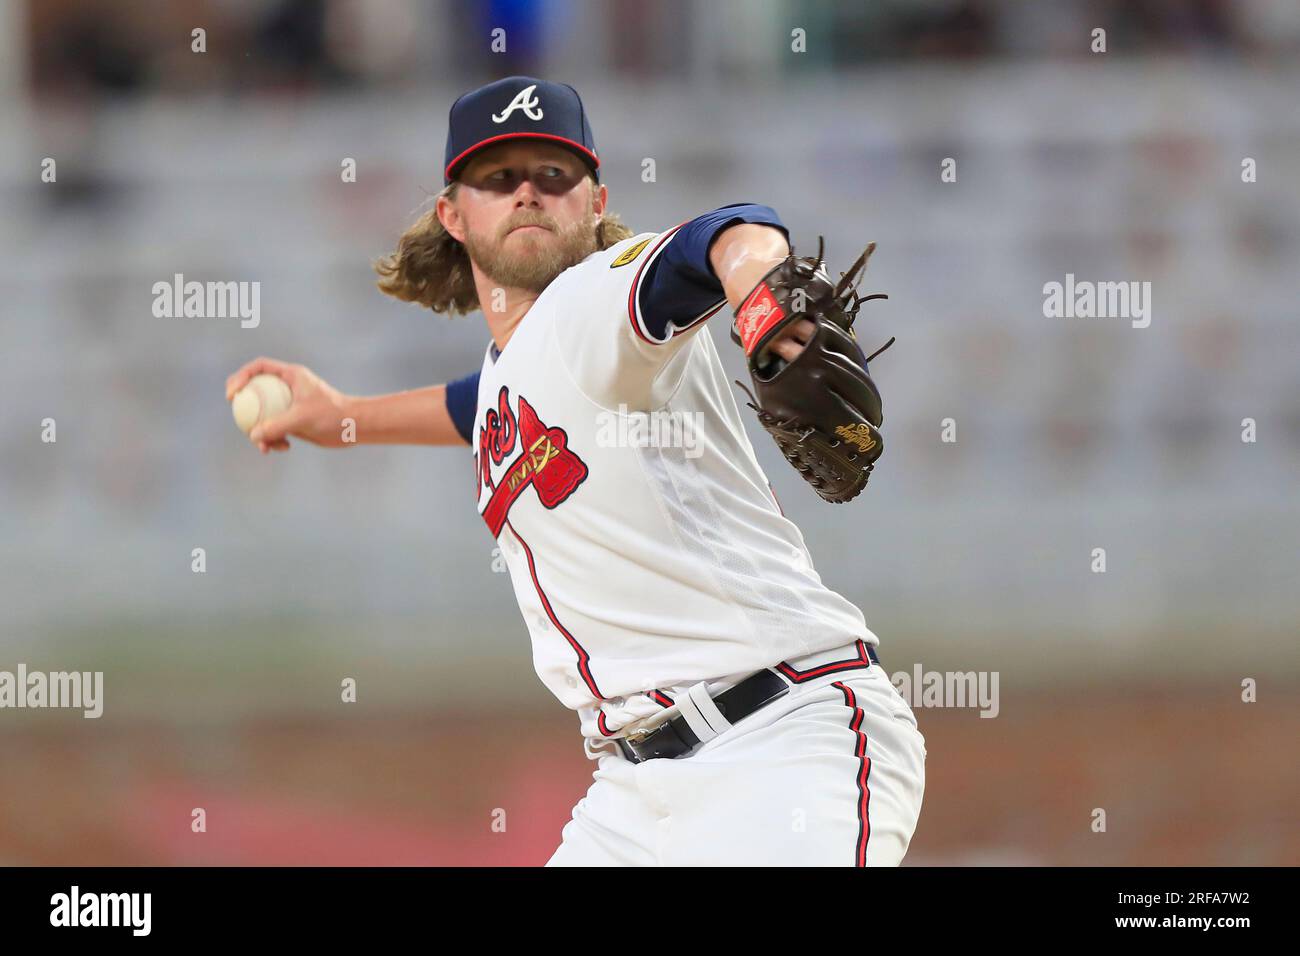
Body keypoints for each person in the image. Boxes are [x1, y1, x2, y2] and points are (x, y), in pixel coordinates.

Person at [225, 76, 925, 866]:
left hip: (783, 747)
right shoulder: (517, 369)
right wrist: (341, 417)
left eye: (554, 175)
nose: (528, 192)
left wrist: (761, 296)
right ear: (452, 214)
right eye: (499, 177)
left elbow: (727, 232)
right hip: (633, 797)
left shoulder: (601, 296)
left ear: (595, 204)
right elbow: (481, 407)